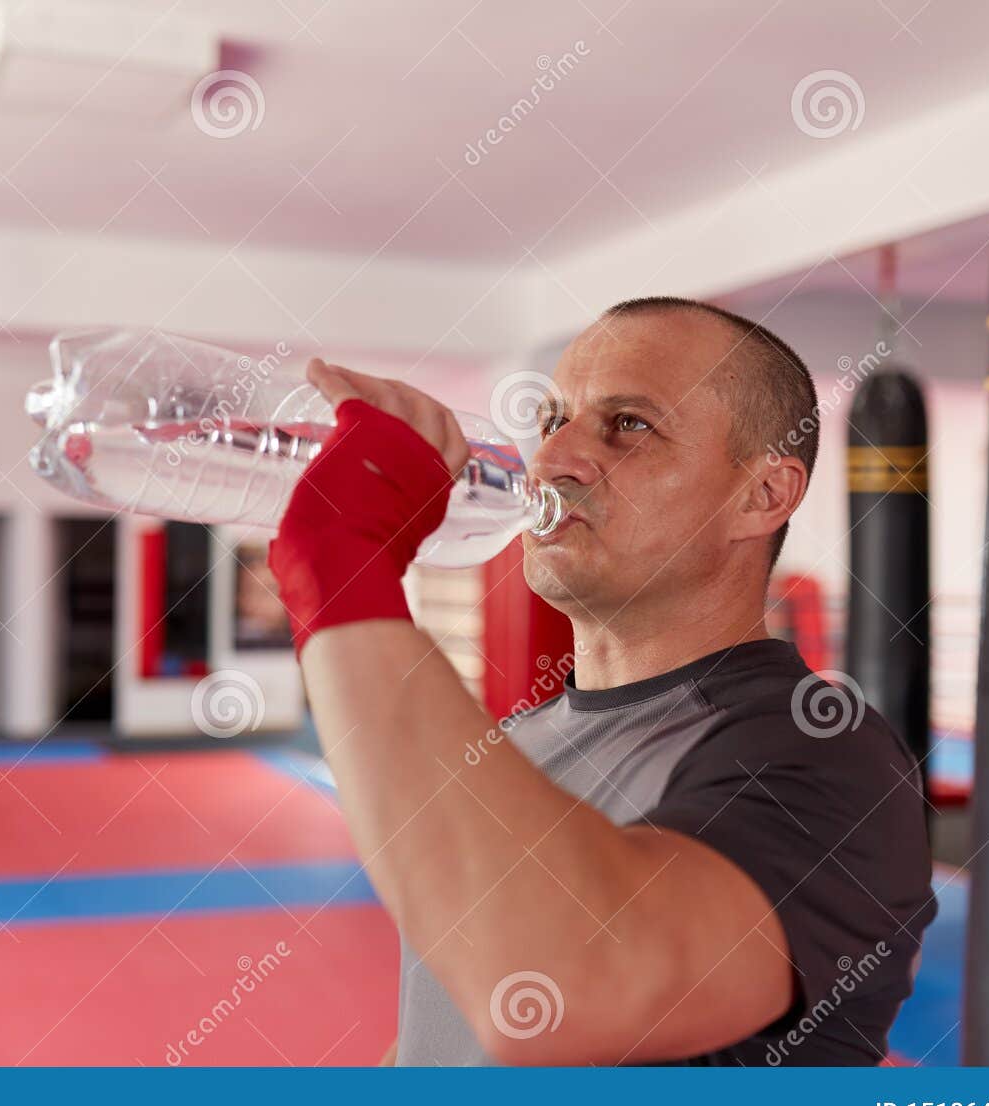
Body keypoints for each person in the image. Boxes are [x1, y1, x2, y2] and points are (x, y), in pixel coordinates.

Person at [266, 296, 936, 1066]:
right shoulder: (512, 743)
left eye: (629, 425)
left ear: (763, 495)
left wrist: (345, 568)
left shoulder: (830, 758)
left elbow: (568, 985)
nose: (551, 461)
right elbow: (445, 1030)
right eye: (553, 422)